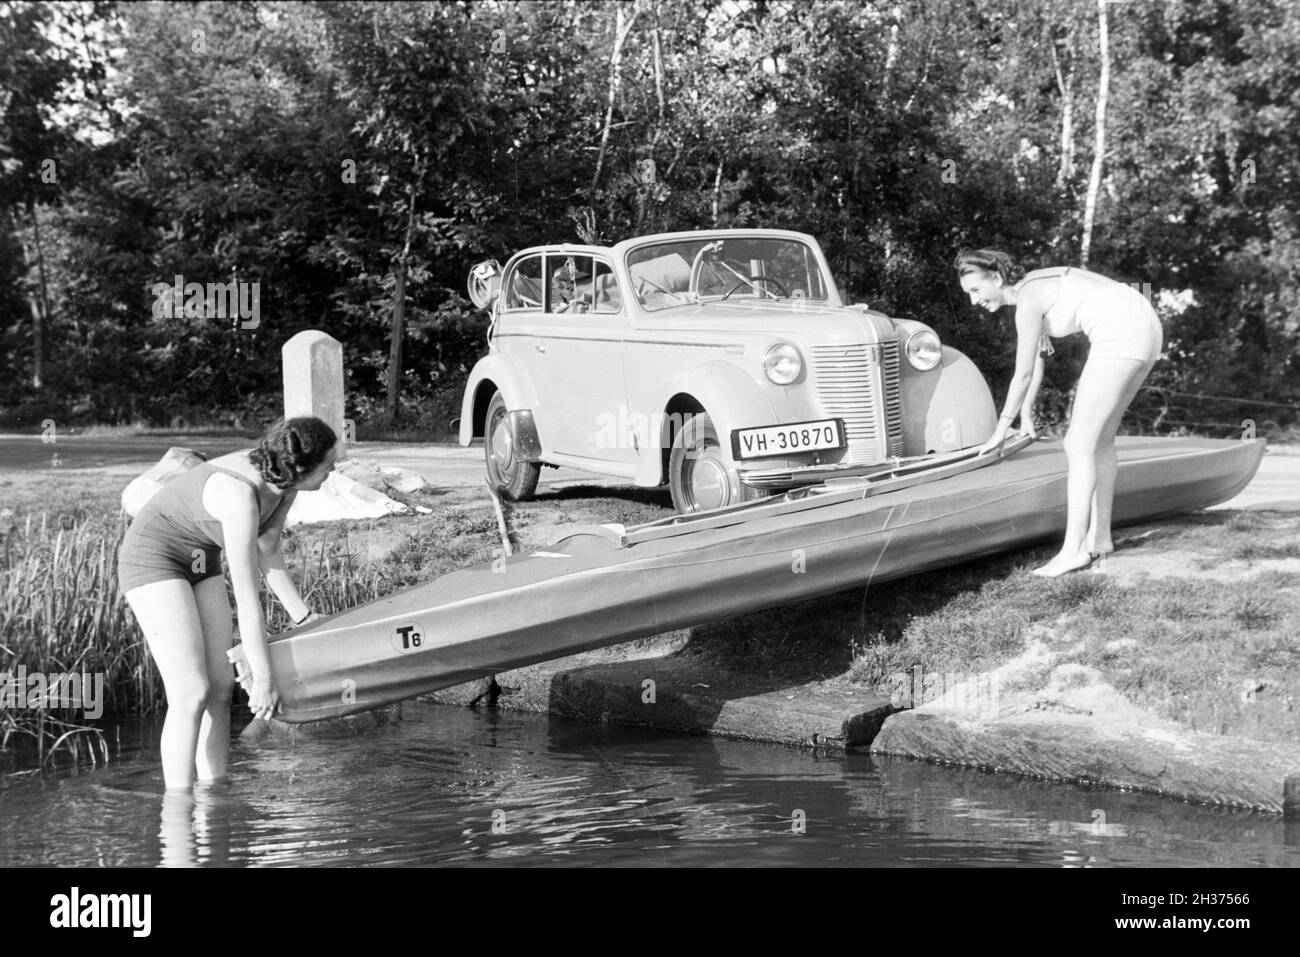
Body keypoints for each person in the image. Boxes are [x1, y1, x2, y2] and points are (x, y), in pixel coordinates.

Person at [117, 417, 339, 788]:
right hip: (152, 558)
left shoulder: (286, 481)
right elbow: (248, 598)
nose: (333, 471)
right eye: (328, 464)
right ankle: (179, 803)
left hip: (200, 557)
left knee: (220, 687)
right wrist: (264, 679)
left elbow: (268, 549)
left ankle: (213, 791)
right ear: (301, 466)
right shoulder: (239, 497)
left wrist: (304, 618)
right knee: (191, 692)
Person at [954, 249, 1162, 578]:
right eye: (967, 295)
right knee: (1101, 441)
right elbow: (1035, 368)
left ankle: (1073, 551)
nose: (973, 301)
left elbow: (1020, 375)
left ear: (996, 278)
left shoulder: (1027, 301)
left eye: (976, 290)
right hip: (1146, 323)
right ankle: (1100, 538)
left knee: (1077, 445)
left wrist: (998, 431)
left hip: (1122, 330)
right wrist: (1025, 417)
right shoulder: (1034, 287)